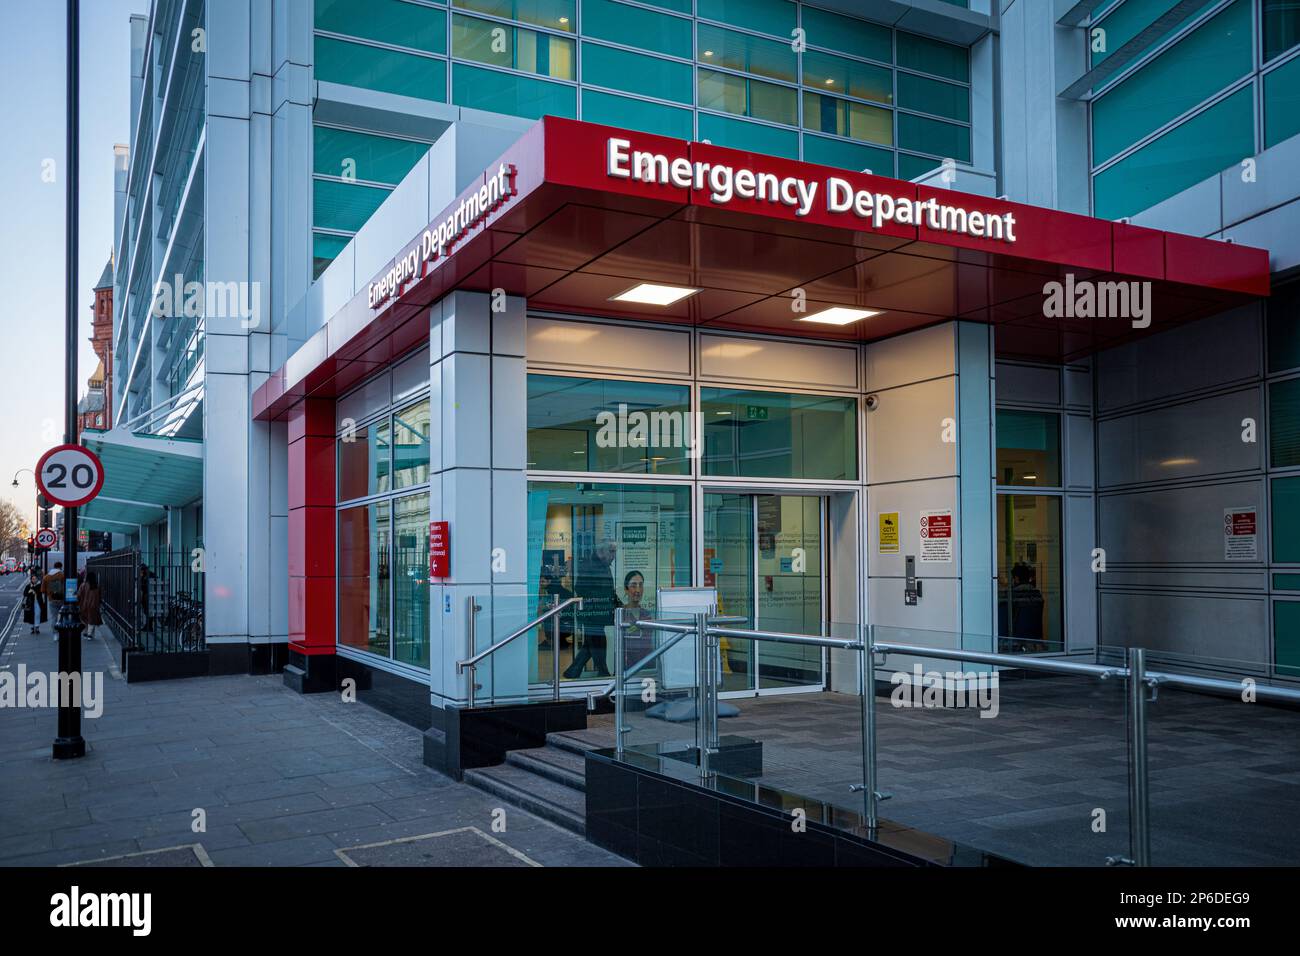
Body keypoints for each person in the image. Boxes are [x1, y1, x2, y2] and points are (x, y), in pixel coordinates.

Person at [564, 539, 620, 679]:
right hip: (592, 613)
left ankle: (572, 671)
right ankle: (604, 673)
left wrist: (618, 603)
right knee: (598, 641)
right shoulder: (588, 565)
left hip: (600, 612)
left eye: (615, 551)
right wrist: (601, 600)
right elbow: (580, 588)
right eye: (611, 551)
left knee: (590, 645)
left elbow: (609, 590)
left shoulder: (605, 565)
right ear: (601, 551)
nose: (614, 555)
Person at [619, 570, 654, 672]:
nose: (638, 590)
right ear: (626, 589)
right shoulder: (621, 614)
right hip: (628, 669)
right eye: (634, 585)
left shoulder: (646, 614)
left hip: (648, 667)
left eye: (641, 585)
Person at [78, 571, 104, 642]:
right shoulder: (97, 586)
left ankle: (87, 633)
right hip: (94, 605)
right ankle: (90, 634)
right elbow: (100, 597)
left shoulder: (83, 585)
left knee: (85, 619)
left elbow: (79, 595)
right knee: (92, 619)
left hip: (84, 605)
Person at [43, 562, 65, 640]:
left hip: (52, 599)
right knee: (63, 616)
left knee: (54, 617)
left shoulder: (46, 577)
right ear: (60, 567)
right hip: (61, 599)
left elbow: (42, 590)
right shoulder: (62, 575)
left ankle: (55, 634)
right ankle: (62, 631)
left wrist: (49, 593)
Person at [22, 568, 45, 635]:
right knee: (31, 615)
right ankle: (32, 627)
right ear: (31, 579)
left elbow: (42, 592)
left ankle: (37, 627)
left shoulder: (40, 585)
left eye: (35, 579)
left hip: (38, 602)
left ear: (37, 579)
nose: (34, 580)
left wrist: (35, 592)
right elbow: (25, 593)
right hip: (30, 603)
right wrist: (29, 592)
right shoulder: (28, 586)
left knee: (37, 614)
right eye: (32, 579)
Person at [137, 562, 153, 632]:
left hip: (148, 595)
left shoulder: (147, 576)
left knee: (148, 611)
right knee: (148, 611)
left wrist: (141, 578)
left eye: (141, 570)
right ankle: (149, 625)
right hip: (148, 595)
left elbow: (142, 586)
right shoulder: (149, 574)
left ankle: (149, 626)